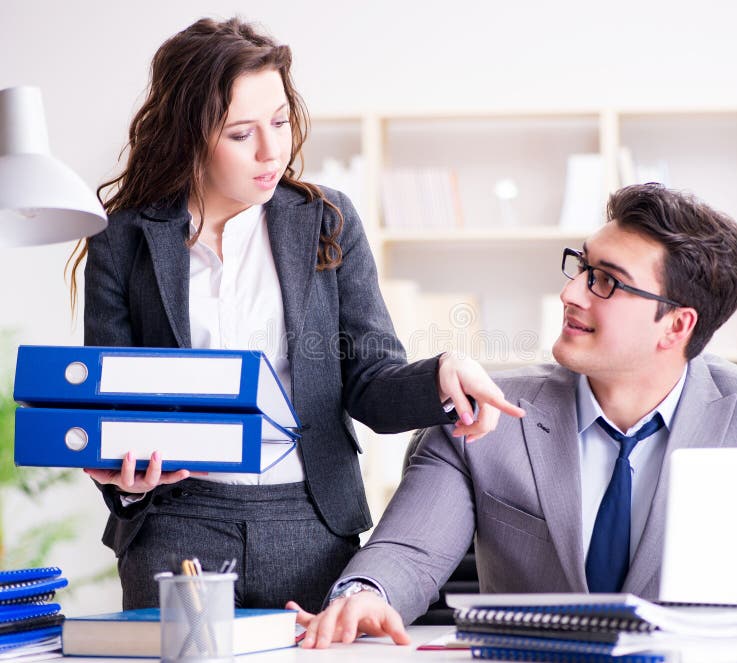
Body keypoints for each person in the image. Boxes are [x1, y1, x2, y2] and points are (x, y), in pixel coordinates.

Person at [67, 17, 524, 612]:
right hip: (175, 526)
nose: (271, 150)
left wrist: (440, 375)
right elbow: (112, 400)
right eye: (240, 133)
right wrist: (124, 484)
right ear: (189, 135)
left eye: (280, 121)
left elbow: (369, 382)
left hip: (310, 524)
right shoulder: (124, 238)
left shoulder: (328, 220)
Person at [294, 182, 737, 648]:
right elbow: (408, 552)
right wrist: (365, 593)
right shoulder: (484, 412)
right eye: (582, 267)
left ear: (675, 325)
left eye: (605, 282)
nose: (571, 292)